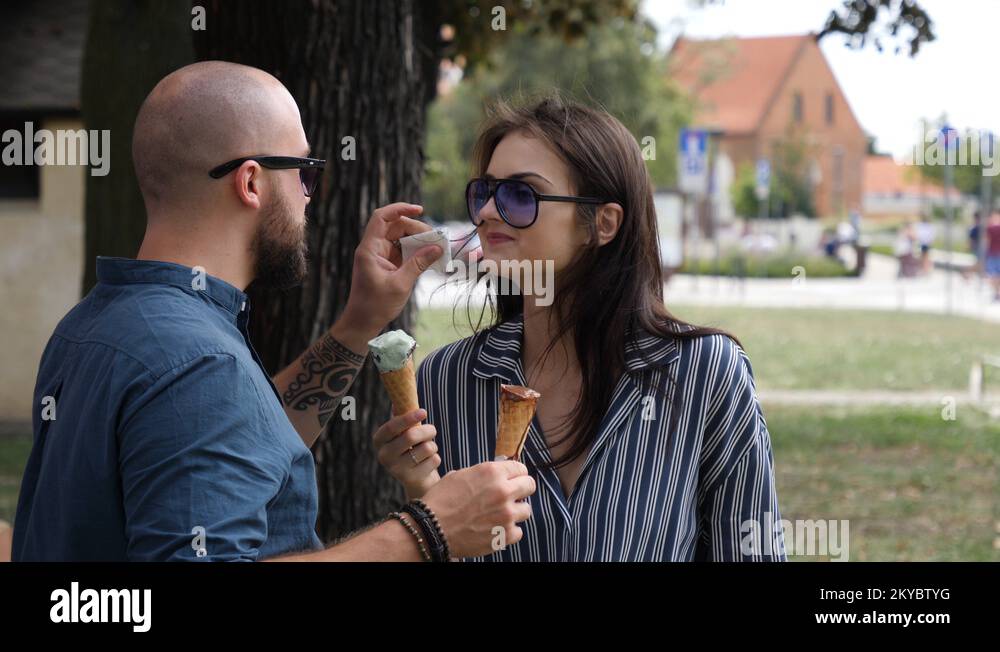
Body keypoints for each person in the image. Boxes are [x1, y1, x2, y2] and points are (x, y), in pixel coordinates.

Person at [12, 61, 535, 562]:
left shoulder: (92, 325)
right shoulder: (197, 362)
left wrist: (360, 322)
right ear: (252, 183)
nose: (310, 197)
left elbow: (239, 447)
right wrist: (426, 531)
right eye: (305, 172)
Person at [375, 96, 786, 561]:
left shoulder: (703, 373)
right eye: (485, 192)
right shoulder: (445, 382)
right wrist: (422, 491)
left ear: (602, 224)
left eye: (520, 194)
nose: (489, 211)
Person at [985, 211, 1000, 301]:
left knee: (993, 275)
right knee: (996, 275)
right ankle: (997, 292)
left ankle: (997, 292)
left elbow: (987, 241)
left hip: (992, 253)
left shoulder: (990, 228)